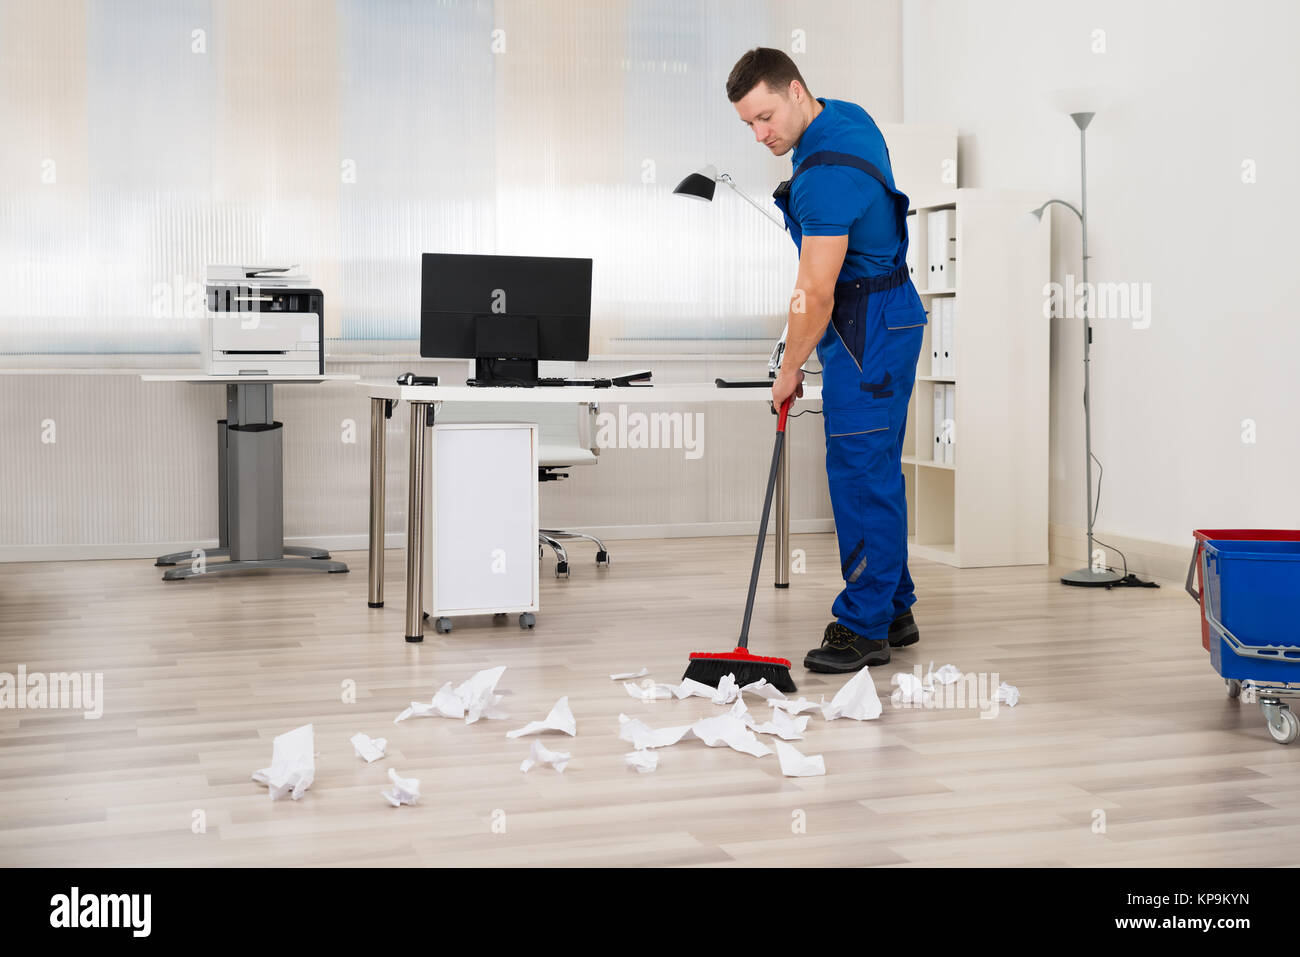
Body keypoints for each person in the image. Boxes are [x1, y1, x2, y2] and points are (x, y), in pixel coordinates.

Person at [726, 47, 926, 673]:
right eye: (748, 125)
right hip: (886, 313)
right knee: (875, 468)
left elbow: (814, 291)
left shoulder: (822, 180)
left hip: (866, 325)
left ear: (794, 90)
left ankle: (863, 628)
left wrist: (789, 368)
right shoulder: (845, 116)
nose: (761, 135)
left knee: (859, 472)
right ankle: (895, 606)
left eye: (765, 117)